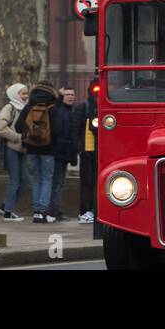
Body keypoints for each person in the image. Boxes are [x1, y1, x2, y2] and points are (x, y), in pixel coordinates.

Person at [14, 80, 61, 223]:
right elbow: (59, 129)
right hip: (49, 149)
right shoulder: (53, 106)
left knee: (36, 179)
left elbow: (17, 127)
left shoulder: (29, 106)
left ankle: (36, 212)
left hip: (31, 148)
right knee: (47, 178)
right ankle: (43, 210)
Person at [0, 83, 28, 221]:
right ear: (15, 94)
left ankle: (5, 206)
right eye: (23, 94)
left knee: (24, 180)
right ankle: (8, 212)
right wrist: (16, 137)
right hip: (11, 148)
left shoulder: (25, 108)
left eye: (27, 93)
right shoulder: (10, 107)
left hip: (23, 149)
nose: (25, 96)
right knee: (15, 180)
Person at [48, 87, 79, 221]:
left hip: (63, 153)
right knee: (57, 182)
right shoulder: (60, 111)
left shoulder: (69, 111)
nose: (70, 97)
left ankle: (55, 210)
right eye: (67, 95)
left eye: (72, 94)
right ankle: (54, 211)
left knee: (58, 183)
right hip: (59, 153)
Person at [76, 78, 99, 223]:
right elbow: (75, 130)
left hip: (100, 151)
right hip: (87, 151)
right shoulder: (82, 108)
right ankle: (85, 210)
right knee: (87, 182)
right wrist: (79, 148)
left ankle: (95, 209)